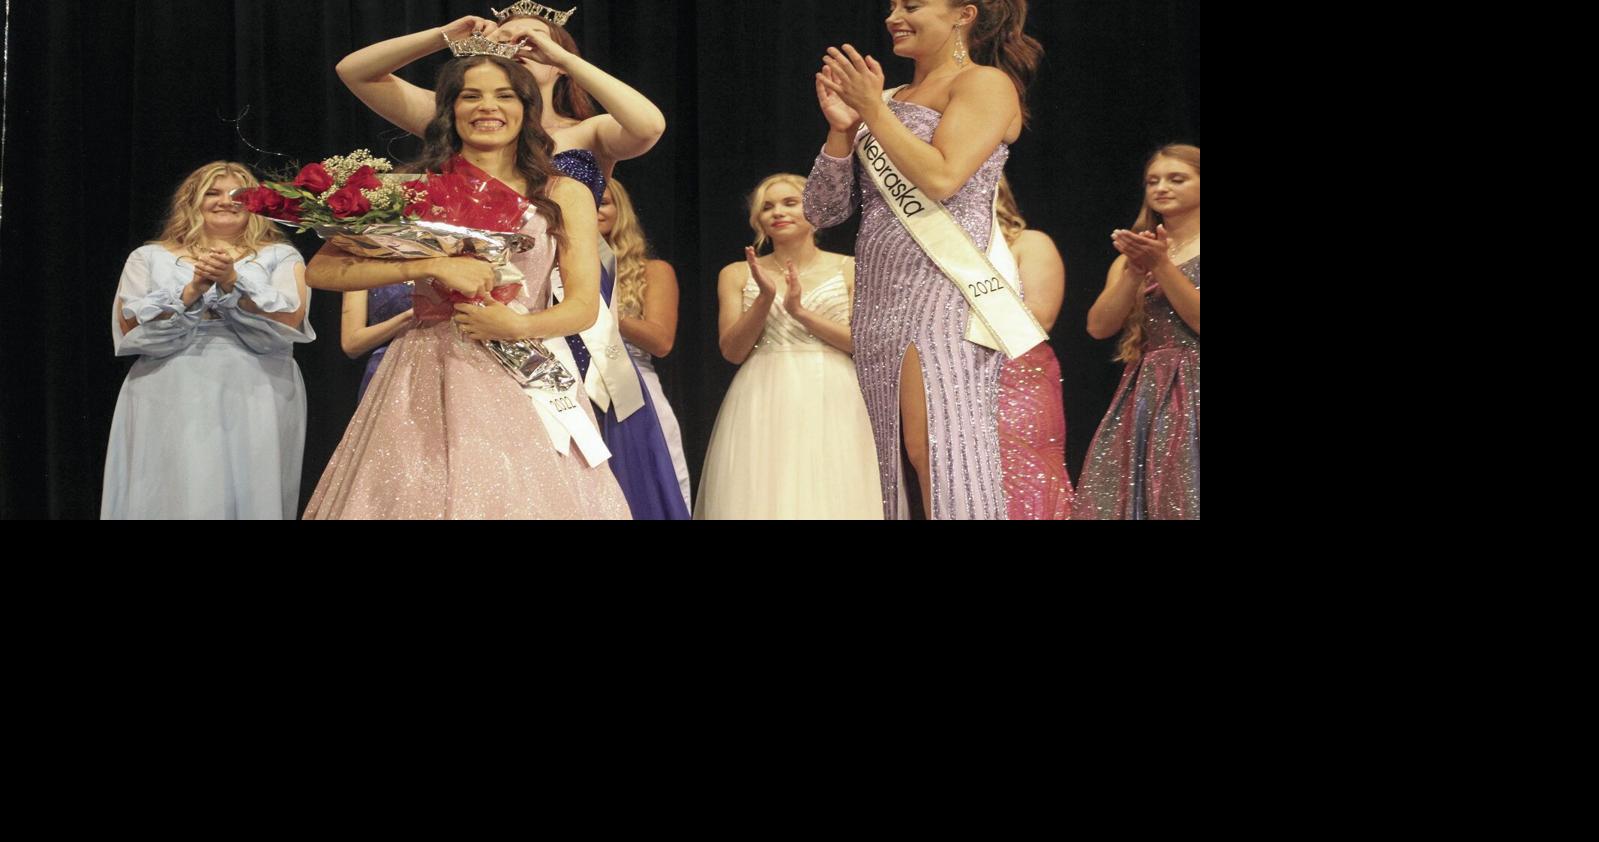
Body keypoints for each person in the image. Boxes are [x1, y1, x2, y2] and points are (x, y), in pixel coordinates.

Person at [336, 8, 688, 519]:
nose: (519, 47)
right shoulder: (463, 123)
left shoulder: (586, 135)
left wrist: (561, 55)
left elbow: (649, 123)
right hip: (471, 315)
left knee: (580, 464)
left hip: (565, 312)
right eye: (506, 40)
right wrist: (444, 36)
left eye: (533, 41)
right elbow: (354, 70)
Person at [301, 55, 629, 520]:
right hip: (425, 366)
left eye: (504, 95)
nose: (486, 107)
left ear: (526, 108)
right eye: (470, 95)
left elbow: (581, 308)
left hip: (524, 368)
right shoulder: (415, 189)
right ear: (449, 109)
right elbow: (323, 270)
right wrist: (436, 264)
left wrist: (515, 325)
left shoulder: (563, 192)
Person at [804, 0, 1043, 519]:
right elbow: (822, 211)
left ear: (964, 14)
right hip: (878, 296)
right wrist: (842, 131)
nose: (894, 16)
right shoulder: (886, 99)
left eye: (912, 5)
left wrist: (873, 113)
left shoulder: (984, 84)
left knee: (937, 448)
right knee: (893, 460)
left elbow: (941, 177)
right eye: (891, 5)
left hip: (943, 289)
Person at [102, 161, 313, 519]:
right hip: (168, 385)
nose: (225, 201)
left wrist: (234, 283)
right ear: (192, 201)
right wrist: (191, 290)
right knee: (171, 486)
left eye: (238, 194)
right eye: (213, 193)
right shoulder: (149, 256)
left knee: (250, 484)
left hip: (257, 386)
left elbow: (292, 318)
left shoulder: (280, 255)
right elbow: (128, 324)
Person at [695, 174, 883, 520]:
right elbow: (732, 351)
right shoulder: (736, 273)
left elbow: (862, 343)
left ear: (814, 210)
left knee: (832, 487)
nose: (777, 212)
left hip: (833, 390)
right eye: (767, 207)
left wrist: (800, 312)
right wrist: (765, 298)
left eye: (789, 203)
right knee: (764, 490)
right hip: (763, 391)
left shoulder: (850, 268)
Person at [1076, 144, 1200, 519]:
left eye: (1177, 179)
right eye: (1153, 181)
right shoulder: (1135, 255)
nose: (1162, 187)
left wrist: (1161, 266)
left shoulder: (1158, 257)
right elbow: (1099, 327)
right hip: (1150, 388)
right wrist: (1134, 271)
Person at [601, 178, 692, 511]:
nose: (595, 209)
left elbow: (661, 340)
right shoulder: (551, 269)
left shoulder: (652, 271)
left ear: (619, 210)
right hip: (570, 390)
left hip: (633, 389)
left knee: (648, 488)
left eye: (604, 202)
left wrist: (598, 309)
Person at [993, 177, 1073, 520]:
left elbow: (1041, 316)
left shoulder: (1028, 243)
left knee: (1027, 478)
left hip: (1018, 378)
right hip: (951, 378)